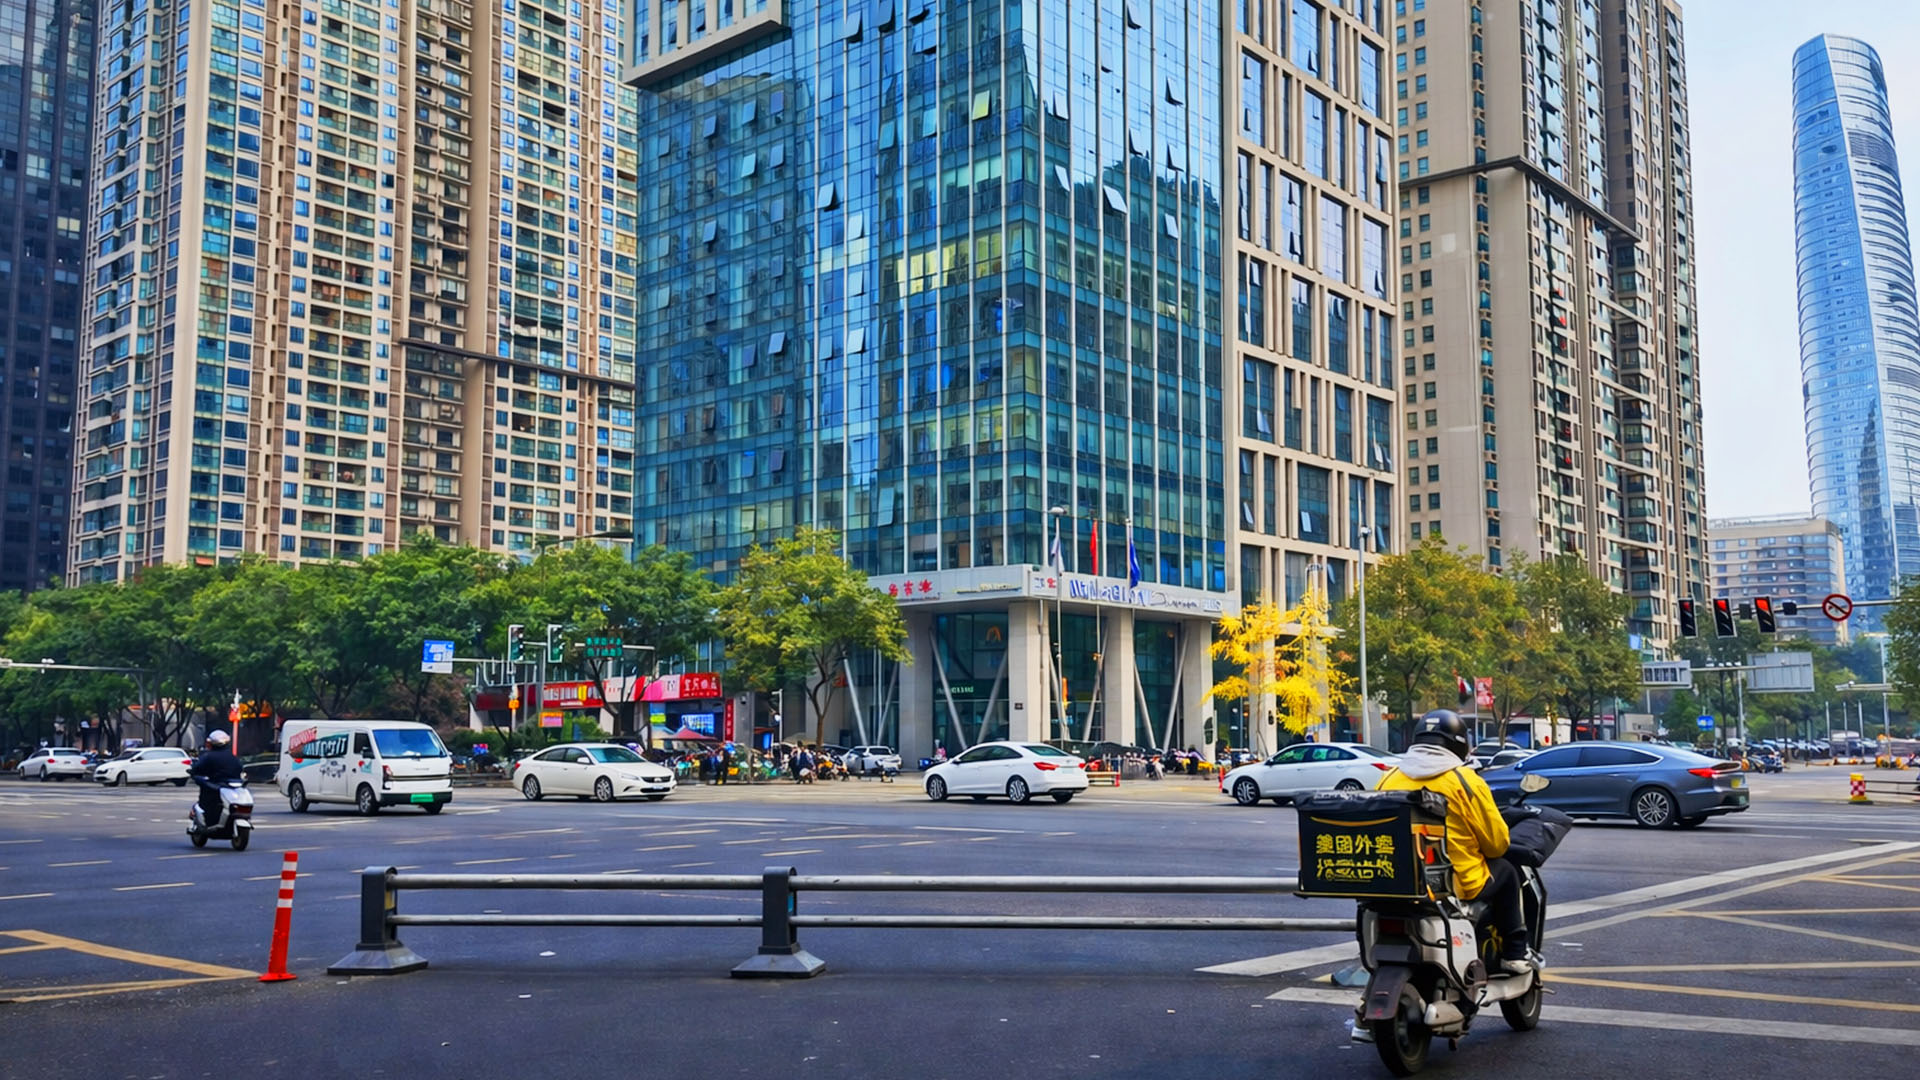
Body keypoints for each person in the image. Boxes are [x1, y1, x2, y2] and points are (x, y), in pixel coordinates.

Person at [1376, 709, 1528, 973]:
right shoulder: (1464, 780)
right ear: (1460, 744)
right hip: (1451, 885)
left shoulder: (1388, 778)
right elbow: (1496, 845)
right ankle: (1515, 953)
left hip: (1396, 882)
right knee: (1507, 871)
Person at [188, 730, 243, 826]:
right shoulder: (232, 757)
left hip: (216, 786)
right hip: (231, 787)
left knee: (206, 797)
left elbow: (197, 768)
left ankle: (208, 820)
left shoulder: (208, 756)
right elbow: (240, 768)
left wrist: (194, 773)